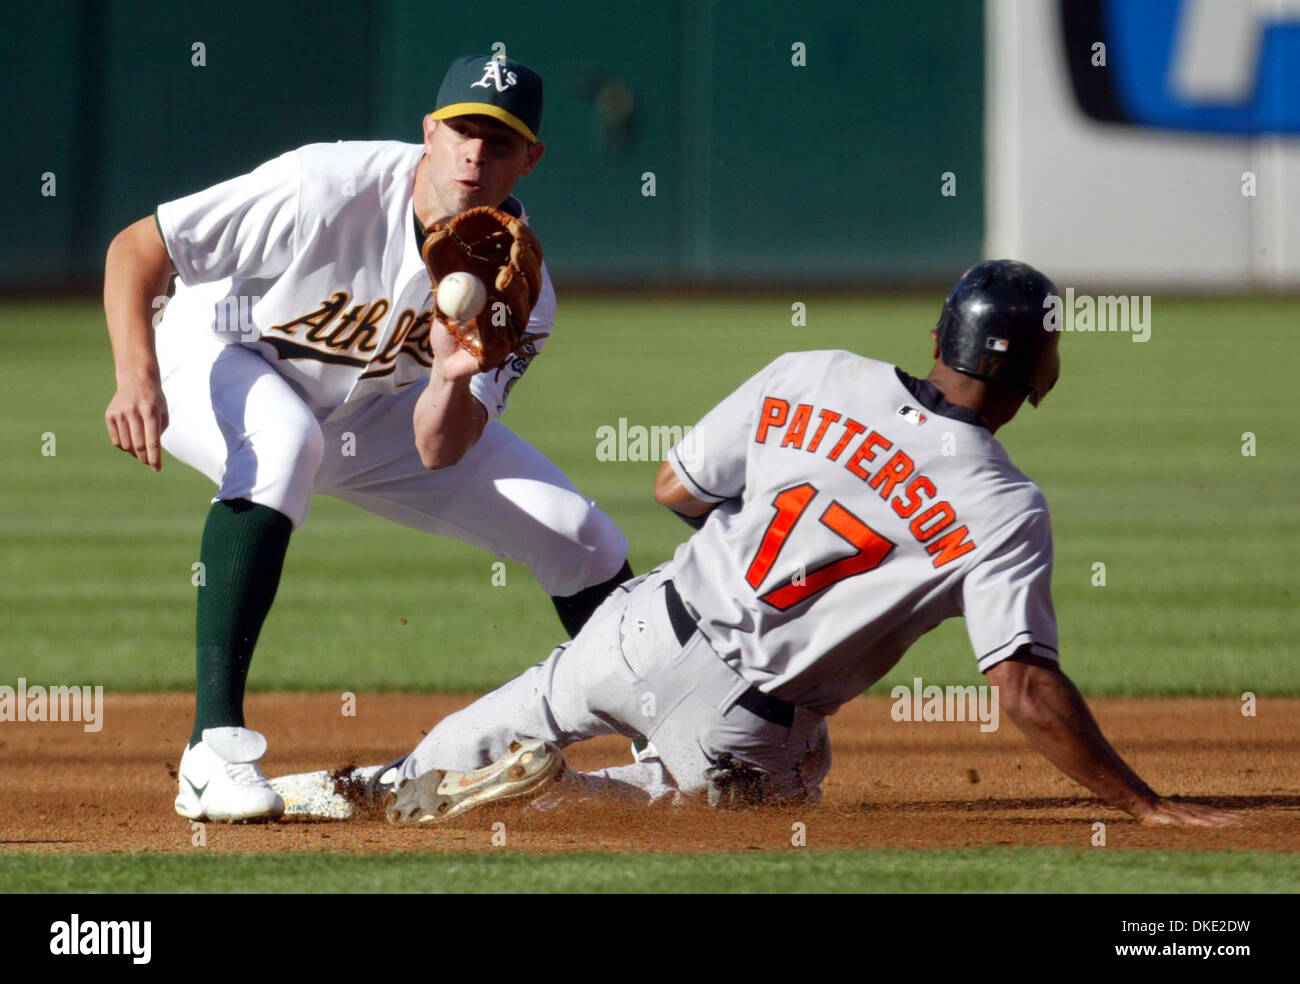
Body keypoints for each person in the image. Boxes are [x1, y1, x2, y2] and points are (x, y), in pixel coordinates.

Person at [378, 260, 1238, 828]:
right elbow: (1022, 685)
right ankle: (566, 796)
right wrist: (1142, 803)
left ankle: (371, 788)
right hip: (744, 724)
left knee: (482, 736)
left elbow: (675, 488)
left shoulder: (813, 371)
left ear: (937, 340)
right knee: (717, 814)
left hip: (638, 633)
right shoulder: (1002, 506)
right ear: (1034, 381)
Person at [101, 54, 631, 823]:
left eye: (500, 139)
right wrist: (136, 375)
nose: (475, 153)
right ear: (429, 132)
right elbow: (136, 249)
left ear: (531, 158)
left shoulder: (523, 291)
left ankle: (677, 735)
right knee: (283, 445)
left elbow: (437, 451)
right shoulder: (325, 187)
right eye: (461, 131)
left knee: (582, 537)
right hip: (213, 352)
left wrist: (452, 375)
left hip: (378, 404)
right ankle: (209, 753)